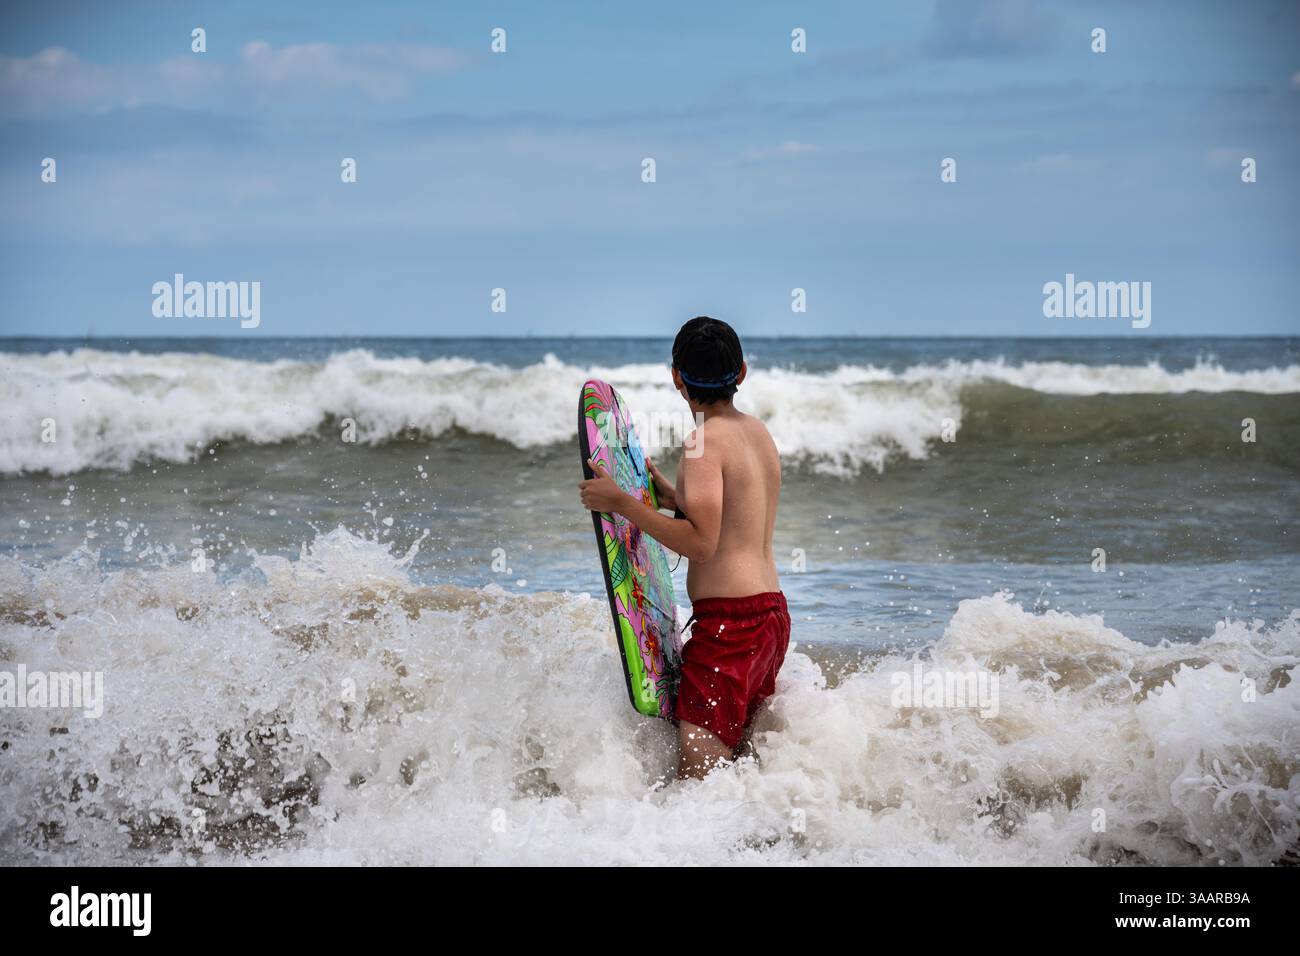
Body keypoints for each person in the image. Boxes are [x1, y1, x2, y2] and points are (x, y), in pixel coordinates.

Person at [579, 316, 790, 779]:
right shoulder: (757, 433)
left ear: (676, 376)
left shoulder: (700, 444)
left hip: (729, 632)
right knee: (738, 770)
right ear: (742, 373)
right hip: (770, 619)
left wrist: (620, 503)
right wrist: (674, 497)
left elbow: (701, 543)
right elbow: (736, 515)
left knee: (699, 784)